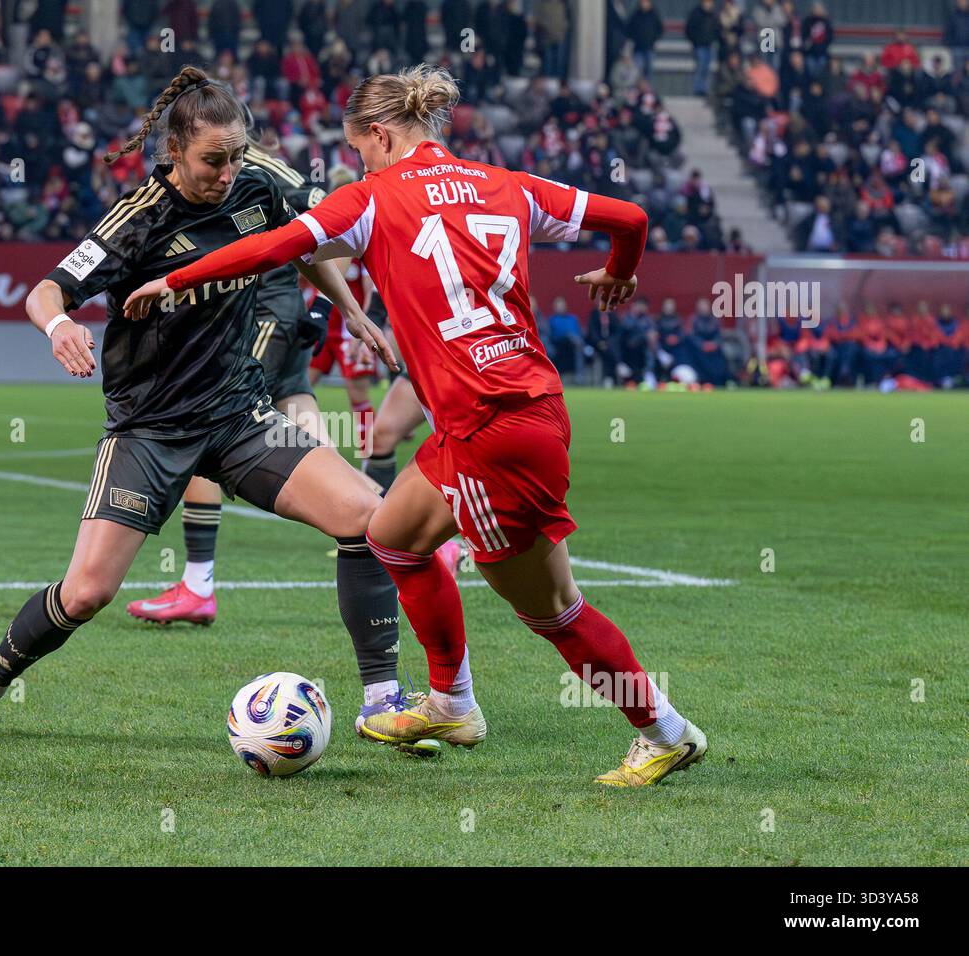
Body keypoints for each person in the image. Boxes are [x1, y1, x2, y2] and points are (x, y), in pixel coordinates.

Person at [124, 67, 708, 787]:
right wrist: (621, 271)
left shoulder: (372, 199)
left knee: (554, 610)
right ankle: (451, 702)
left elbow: (276, 247)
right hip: (516, 412)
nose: (356, 164)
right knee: (390, 537)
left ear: (380, 134)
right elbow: (632, 219)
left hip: (494, 429)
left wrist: (172, 279)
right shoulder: (511, 185)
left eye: (358, 150)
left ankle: (663, 730)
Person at [0, 68, 420, 746]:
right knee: (85, 595)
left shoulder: (260, 180)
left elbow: (305, 237)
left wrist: (351, 307)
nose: (227, 172)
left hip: (238, 416)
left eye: (236, 156)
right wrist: (60, 327)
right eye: (212, 161)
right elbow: (47, 291)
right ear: (174, 155)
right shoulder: (137, 220)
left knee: (368, 516)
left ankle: (381, 700)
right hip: (150, 433)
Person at [123, 115, 337, 626]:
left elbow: (328, 212)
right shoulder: (221, 174)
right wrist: (322, 309)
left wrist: (326, 305)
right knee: (306, 427)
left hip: (262, 314)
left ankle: (197, 584)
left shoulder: (253, 167)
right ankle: (399, 529)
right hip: (271, 311)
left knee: (207, 417)